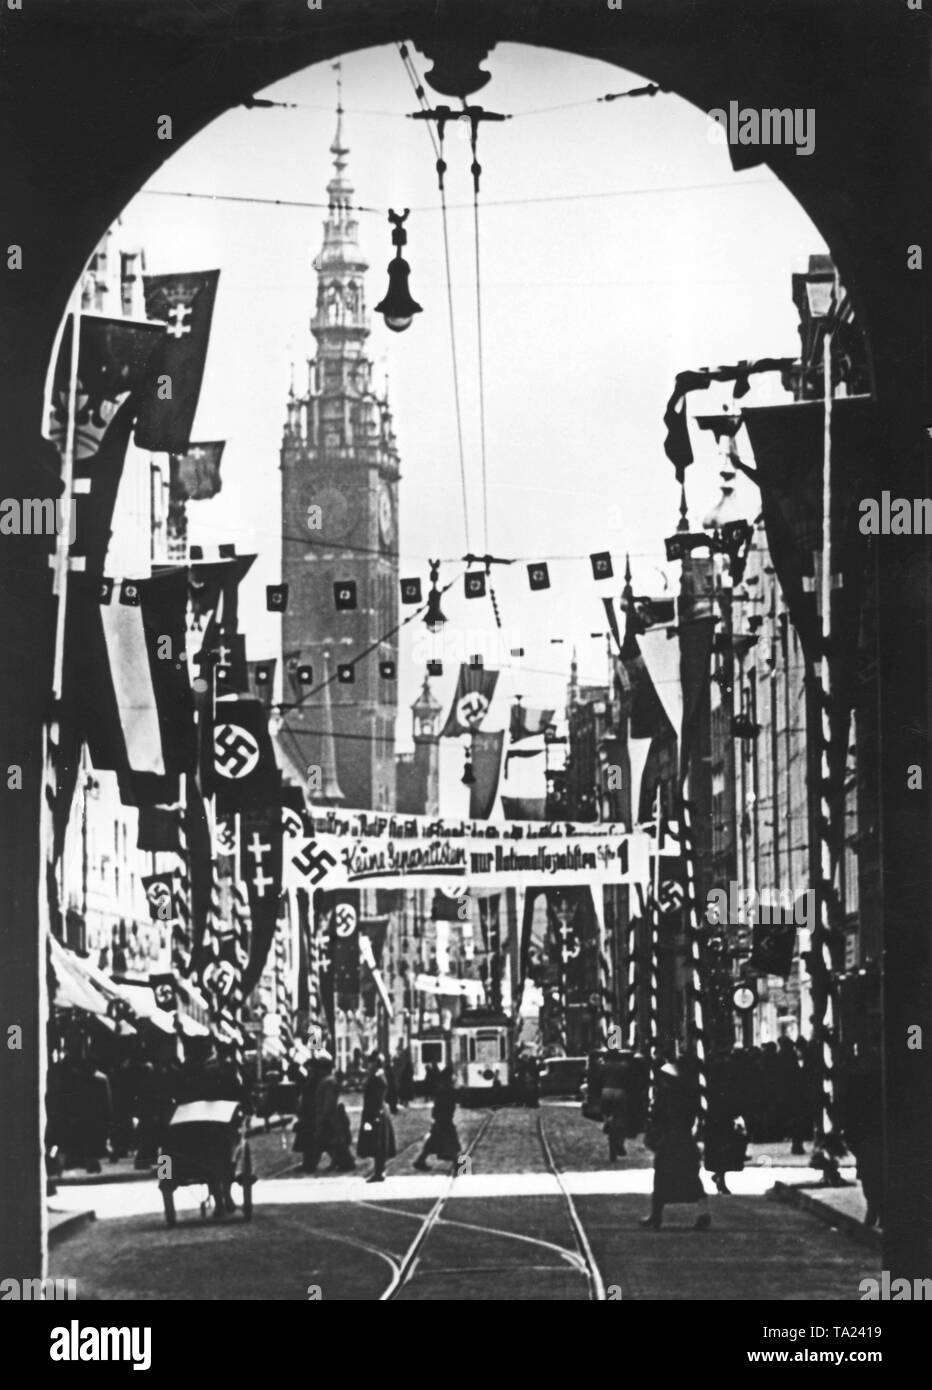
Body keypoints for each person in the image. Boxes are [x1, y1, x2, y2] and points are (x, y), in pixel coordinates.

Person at [641, 1056, 710, 1230]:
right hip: (685, 1141)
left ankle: (657, 1215)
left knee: (663, 1178)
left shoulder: (666, 1098)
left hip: (670, 1141)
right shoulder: (689, 1094)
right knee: (691, 1178)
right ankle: (703, 1213)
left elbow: (657, 1118)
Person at [704, 1051, 746, 1194]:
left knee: (721, 1150)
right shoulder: (728, 1079)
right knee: (723, 1150)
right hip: (723, 1117)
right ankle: (720, 1179)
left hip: (717, 1117)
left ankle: (719, 1177)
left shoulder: (712, 1080)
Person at [310, 1053, 355, 1173]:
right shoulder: (329, 1080)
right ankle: (342, 1162)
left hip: (328, 1117)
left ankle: (311, 1164)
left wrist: (325, 1116)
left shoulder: (328, 1082)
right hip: (329, 1116)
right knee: (332, 1142)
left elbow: (329, 1102)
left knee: (326, 1141)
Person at [358, 1051, 397, 1183]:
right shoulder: (379, 1075)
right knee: (377, 1144)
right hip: (377, 1112)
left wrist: (373, 1117)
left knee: (378, 1144)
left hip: (376, 1114)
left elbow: (375, 1099)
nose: (368, 1065)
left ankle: (379, 1172)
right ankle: (379, 1171)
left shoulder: (377, 1077)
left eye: (370, 1062)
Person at [413, 1067, 461, 1173]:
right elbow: (445, 1106)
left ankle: (420, 1161)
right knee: (452, 1143)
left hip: (441, 1121)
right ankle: (460, 1166)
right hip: (445, 1121)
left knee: (433, 1144)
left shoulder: (443, 1089)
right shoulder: (446, 1090)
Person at [294, 1058, 324, 1173]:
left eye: (311, 1068)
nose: (309, 1070)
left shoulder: (315, 1081)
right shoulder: (309, 1080)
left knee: (311, 1140)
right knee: (306, 1140)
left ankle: (310, 1164)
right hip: (307, 1114)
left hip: (312, 1114)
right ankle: (307, 1163)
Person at [600, 1052, 630, 1161]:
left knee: (606, 1113)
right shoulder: (624, 1066)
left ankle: (607, 1121)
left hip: (606, 1091)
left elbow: (598, 1079)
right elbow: (628, 1080)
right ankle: (620, 1141)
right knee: (621, 1117)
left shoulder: (604, 1066)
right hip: (620, 1092)